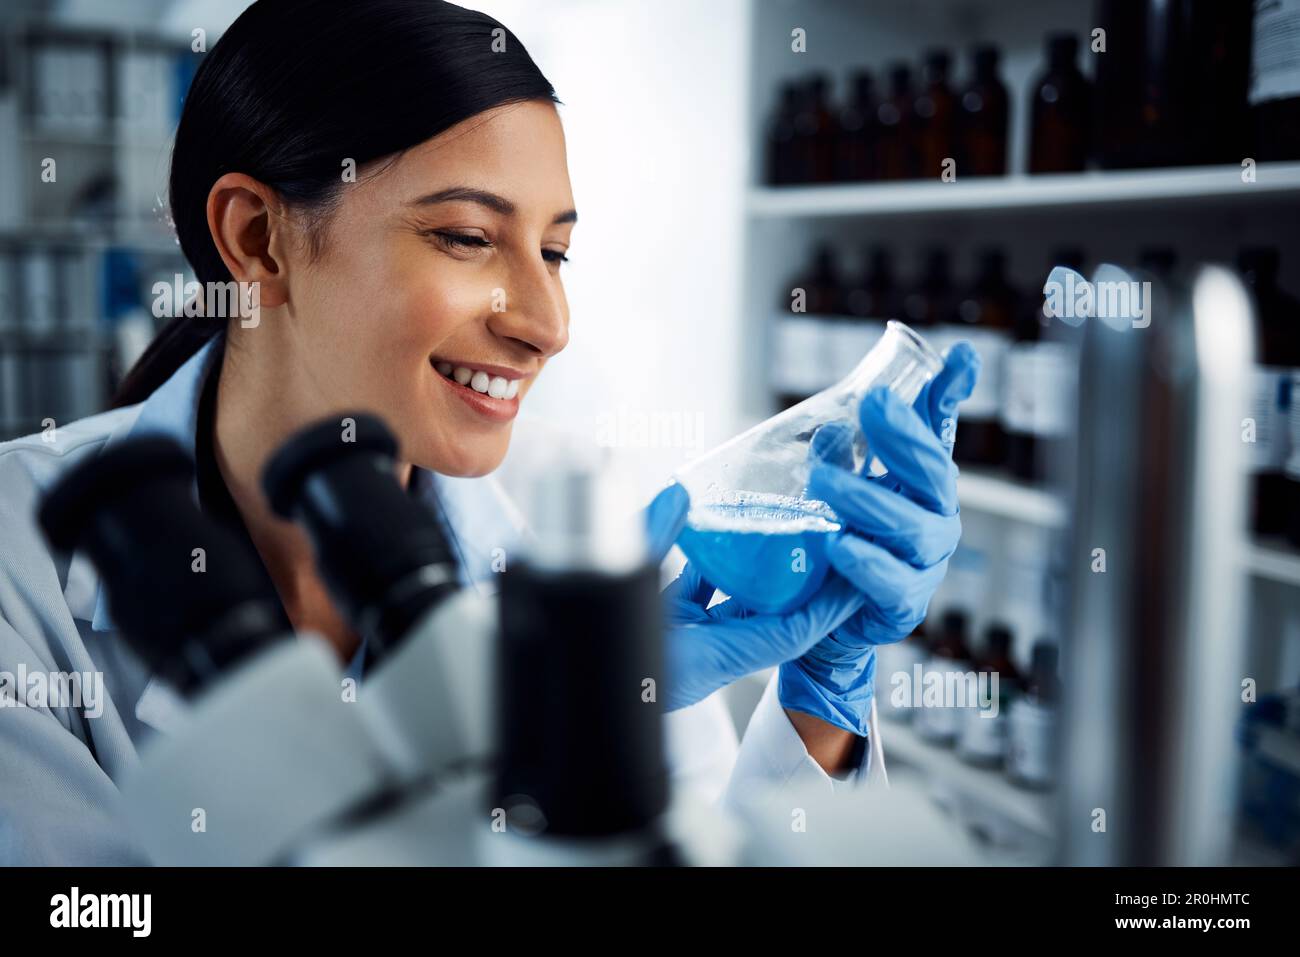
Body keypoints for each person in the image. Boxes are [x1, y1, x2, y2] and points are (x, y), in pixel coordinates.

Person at [0, 0, 977, 865]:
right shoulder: (17, 552)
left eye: (555, 250)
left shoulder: (571, 526)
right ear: (256, 238)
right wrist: (522, 732)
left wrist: (820, 698)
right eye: (467, 237)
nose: (546, 324)